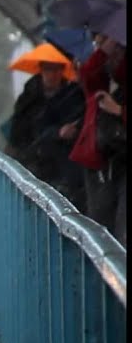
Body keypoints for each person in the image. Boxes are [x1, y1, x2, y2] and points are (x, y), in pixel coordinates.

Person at [65, 33, 126, 241]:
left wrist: (119, 110)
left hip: (117, 158)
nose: (103, 52)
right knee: (101, 227)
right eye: (98, 45)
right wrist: (104, 51)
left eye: (108, 45)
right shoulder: (105, 80)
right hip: (102, 159)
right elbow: (89, 74)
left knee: (117, 230)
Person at [16, 62, 87, 207]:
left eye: (56, 70)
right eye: (48, 70)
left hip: (66, 163)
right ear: (41, 71)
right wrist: (56, 133)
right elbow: (24, 129)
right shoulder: (30, 97)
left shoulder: (72, 95)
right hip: (38, 160)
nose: (52, 75)